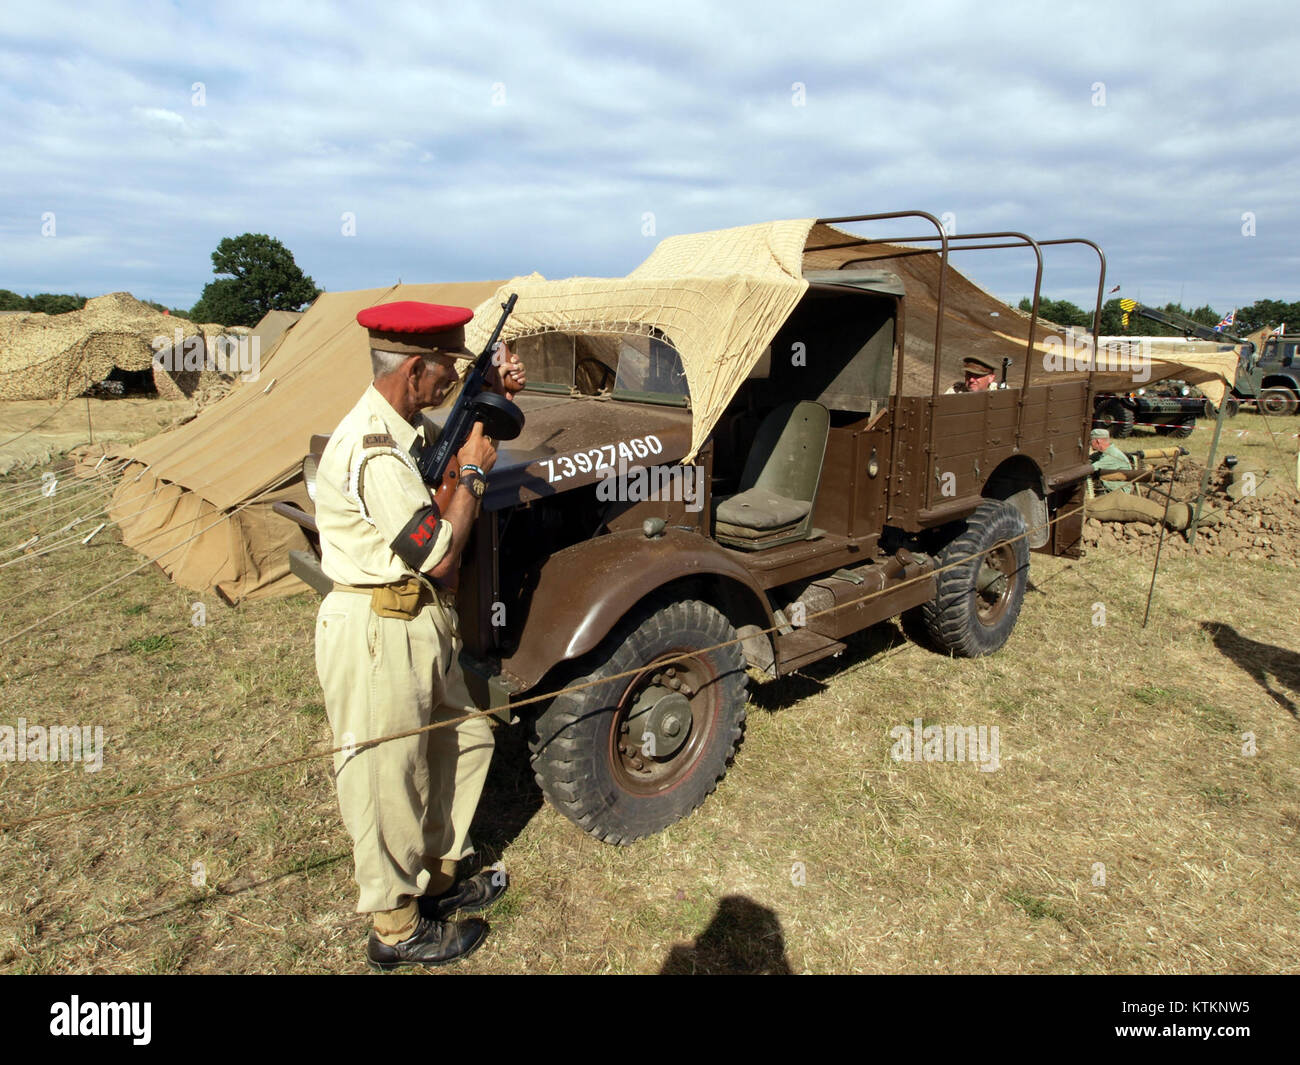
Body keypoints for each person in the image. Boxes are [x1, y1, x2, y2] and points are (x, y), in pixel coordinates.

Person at [313, 299, 525, 969]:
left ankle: (433, 873)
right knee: (386, 774)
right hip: (381, 630)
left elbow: (440, 462)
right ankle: (396, 924)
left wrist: (492, 396)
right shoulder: (375, 450)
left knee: (466, 740)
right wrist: (473, 470)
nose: (452, 381)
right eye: (449, 369)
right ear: (414, 367)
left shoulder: (400, 424)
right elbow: (437, 552)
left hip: (415, 625)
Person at [1086, 426, 1193, 529]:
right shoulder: (1103, 453)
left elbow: (1090, 468)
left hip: (1117, 492)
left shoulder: (1111, 456)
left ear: (1098, 442)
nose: (1090, 444)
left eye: (1091, 441)